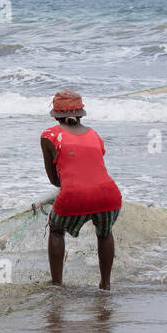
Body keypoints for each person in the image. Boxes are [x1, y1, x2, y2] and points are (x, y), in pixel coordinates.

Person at [40, 90, 123, 291]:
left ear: (56, 115)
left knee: (57, 230)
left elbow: (54, 180)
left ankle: (57, 284)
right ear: (80, 114)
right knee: (104, 233)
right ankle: (105, 285)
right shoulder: (94, 134)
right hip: (109, 196)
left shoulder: (49, 136)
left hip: (74, 196)